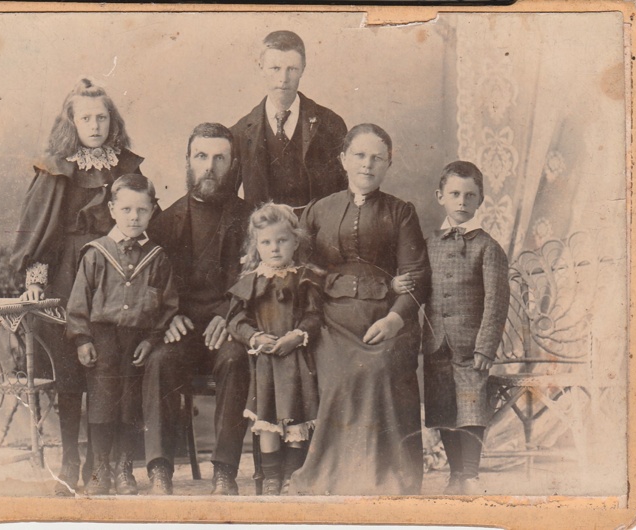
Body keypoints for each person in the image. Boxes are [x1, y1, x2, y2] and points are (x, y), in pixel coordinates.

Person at [11, 78, 144, 495]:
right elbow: (40, 228)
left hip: (114, 273)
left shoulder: (126, 166)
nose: (95, 124)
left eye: (102, 117)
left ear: (112, 120)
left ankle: (100, 460)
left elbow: (140, 217)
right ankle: (70, 457)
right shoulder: (55, 167)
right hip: (67, 274)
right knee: (70, 372)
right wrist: (35, 280)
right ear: (71, 121)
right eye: (85, 117)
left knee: (108, 368)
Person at [289, 123, 431, 495]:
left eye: (376, 158)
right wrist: (312, 315)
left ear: (388, 164)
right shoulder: (320, 210)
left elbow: (416, 273)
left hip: (385, 318)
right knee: (340, 375)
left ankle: (387, 477)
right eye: (359, 155)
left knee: (380, 368)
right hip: (331, 320)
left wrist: (396, 318)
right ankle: (336, 477)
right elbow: (303, 270)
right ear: (343, 159)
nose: (367, 164)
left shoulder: (401, 212)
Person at [143, 123, 252, 495]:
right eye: (202, 156)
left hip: (229, 327)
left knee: (237, 360)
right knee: (160, 360)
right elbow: (151, 283)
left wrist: (230, 315)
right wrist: (168, 317)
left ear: (233, 163)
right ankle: (159, 470)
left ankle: (225, 471)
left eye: (220, 158)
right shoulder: (165, 222)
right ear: (188, 161)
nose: (210, 166)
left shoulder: (251, 218)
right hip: (184, 329)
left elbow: (260, 277)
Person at [397, 161, 509, 495]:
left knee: (471, 406)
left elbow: (496, 300)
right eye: (455, 194)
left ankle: (470, 474)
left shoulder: (488, 248)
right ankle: (455, 473)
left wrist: (486, 346)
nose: (462, 201)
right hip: (436, 344)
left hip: (471, 345)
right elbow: (418, 284)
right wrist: (397, 283)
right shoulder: (430, 244)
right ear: (440, 197)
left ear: (481, 200)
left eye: (470, 195)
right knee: (443, 407)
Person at [65, 174, 178, 495]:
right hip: (101, 341)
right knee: (101, 405)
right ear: (112, 209)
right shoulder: (97, 253)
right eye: (126, 209)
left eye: (142, 210)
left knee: (130, 405)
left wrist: (151, 339)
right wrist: (82, 338)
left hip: (136, 342)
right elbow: (78, 301)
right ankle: (100, 467)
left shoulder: (157, 258)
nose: (134, 217)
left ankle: (125, 468)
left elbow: (167, 305)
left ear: (152, 211)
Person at [226, 203, 322, 495]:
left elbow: (314, 315)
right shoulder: (251, 280)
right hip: (266, 362)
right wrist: (255, 338)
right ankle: (271, 478)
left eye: (282, 241)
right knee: (267, 419)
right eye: (266, 242)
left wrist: (297, 335)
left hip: (296, 360)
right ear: (256, 245)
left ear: (296, 241)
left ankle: (292, 474)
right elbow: (236, 320)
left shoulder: (305, 277)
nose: (275, 248)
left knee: (296, 418)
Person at [231, 30, 348, 211]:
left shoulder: (331, 124)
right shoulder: (239, 132)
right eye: (275, 68)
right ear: (261, 67)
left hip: (318, 233)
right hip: (265, 236)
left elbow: (345, 194)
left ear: (303, 68)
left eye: (292, 69)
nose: (283, 79)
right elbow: (229, 201)